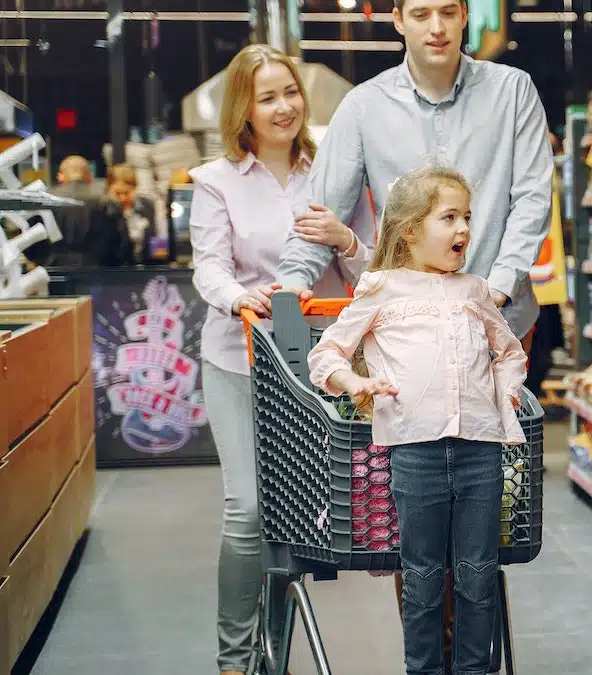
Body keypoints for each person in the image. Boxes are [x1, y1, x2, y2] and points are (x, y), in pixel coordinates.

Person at [188, 43, 372, 675]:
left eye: (290, 92)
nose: (284, 107)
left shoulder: (335, 174)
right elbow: (208, 269)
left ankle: (276, 652)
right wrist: (240, 296)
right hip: (239, 362)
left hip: (315, 371)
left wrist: (347, 241)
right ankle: (234, 660)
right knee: (248, 509)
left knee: (294, 519)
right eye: (267, 97)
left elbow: (372, 271)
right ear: (243, 108)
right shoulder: (215, 182)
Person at [307, 165, 526, 675]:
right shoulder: (381, 289)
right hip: (414, 453)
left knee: (478, 574)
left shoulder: (475, 290)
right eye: (448, 217)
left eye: (467, 217)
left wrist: (505, 394)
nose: (463, 228)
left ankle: (475, 669)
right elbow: (327, 354)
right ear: (409, 231)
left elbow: (510, 353)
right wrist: (355, 382)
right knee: (423, 578)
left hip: (481, 450)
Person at [275, 0, 554, 358]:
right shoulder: (363, 106)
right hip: (408, 332)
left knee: (508, 397)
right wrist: (292, 282)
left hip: (501, 324)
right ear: (399, 20)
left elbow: (532, 198)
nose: (437, 27)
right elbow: (321, 213)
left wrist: (497, 289)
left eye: (448, 12)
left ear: (464, 15)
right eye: (421, 14)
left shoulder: (512, 91)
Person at [104, 163, 160, 263]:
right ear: (108, 190)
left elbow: (154, 239)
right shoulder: (102, 209)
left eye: (127, 193)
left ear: (135, 188)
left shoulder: (147, 206)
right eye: (117, 193)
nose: (123, 198)